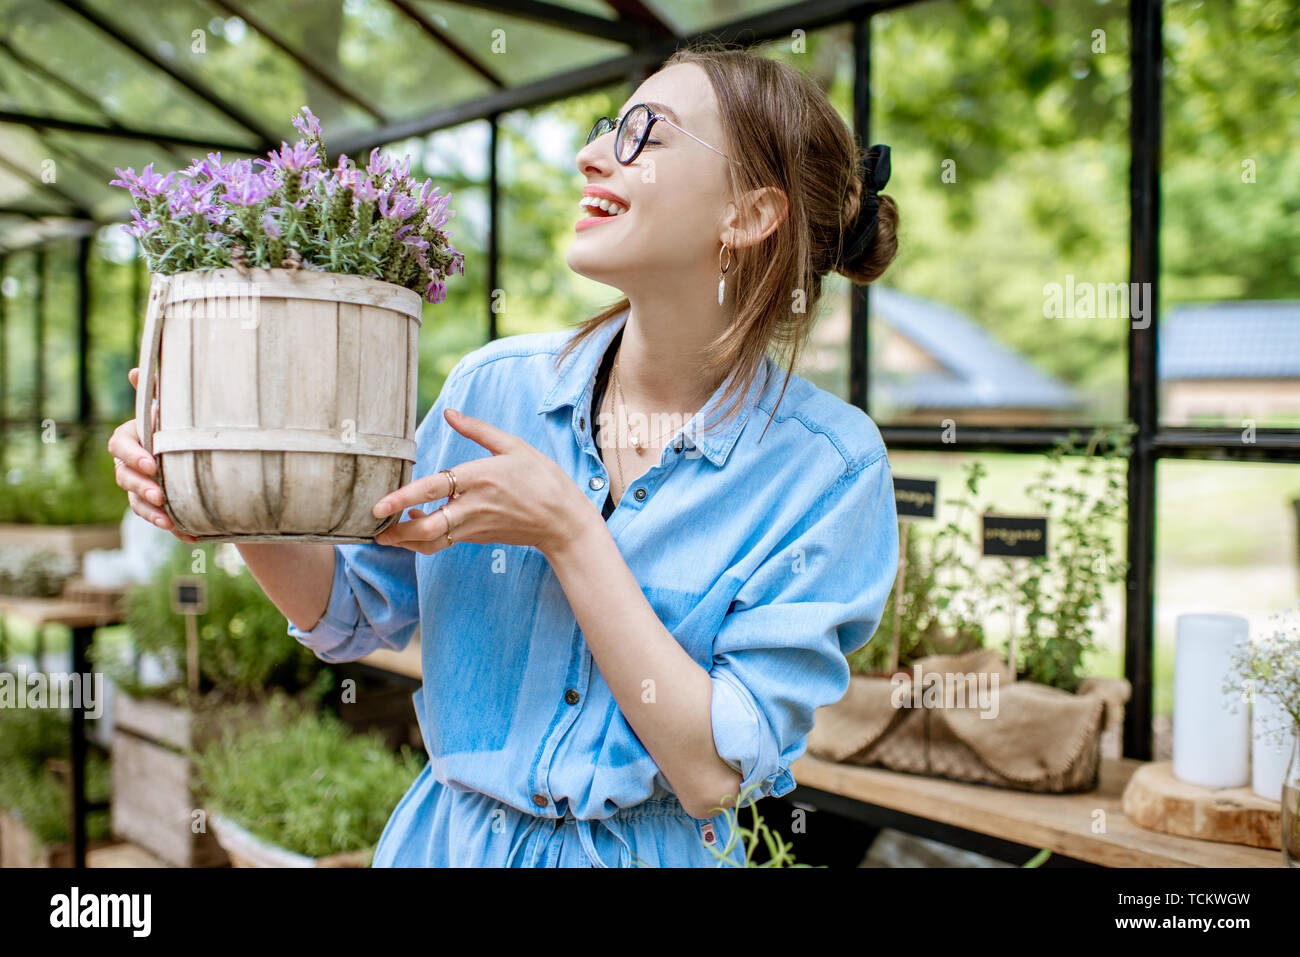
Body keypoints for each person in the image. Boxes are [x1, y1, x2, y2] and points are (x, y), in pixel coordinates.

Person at [107, 41, 901, 868]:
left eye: (646, 136)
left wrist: (567, 530)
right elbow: (350, 612)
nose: (594, 156)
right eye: (605, 130)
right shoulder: (492, 389)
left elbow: (711, 770)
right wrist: (227, 494)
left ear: (748, 213)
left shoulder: (829, 471)